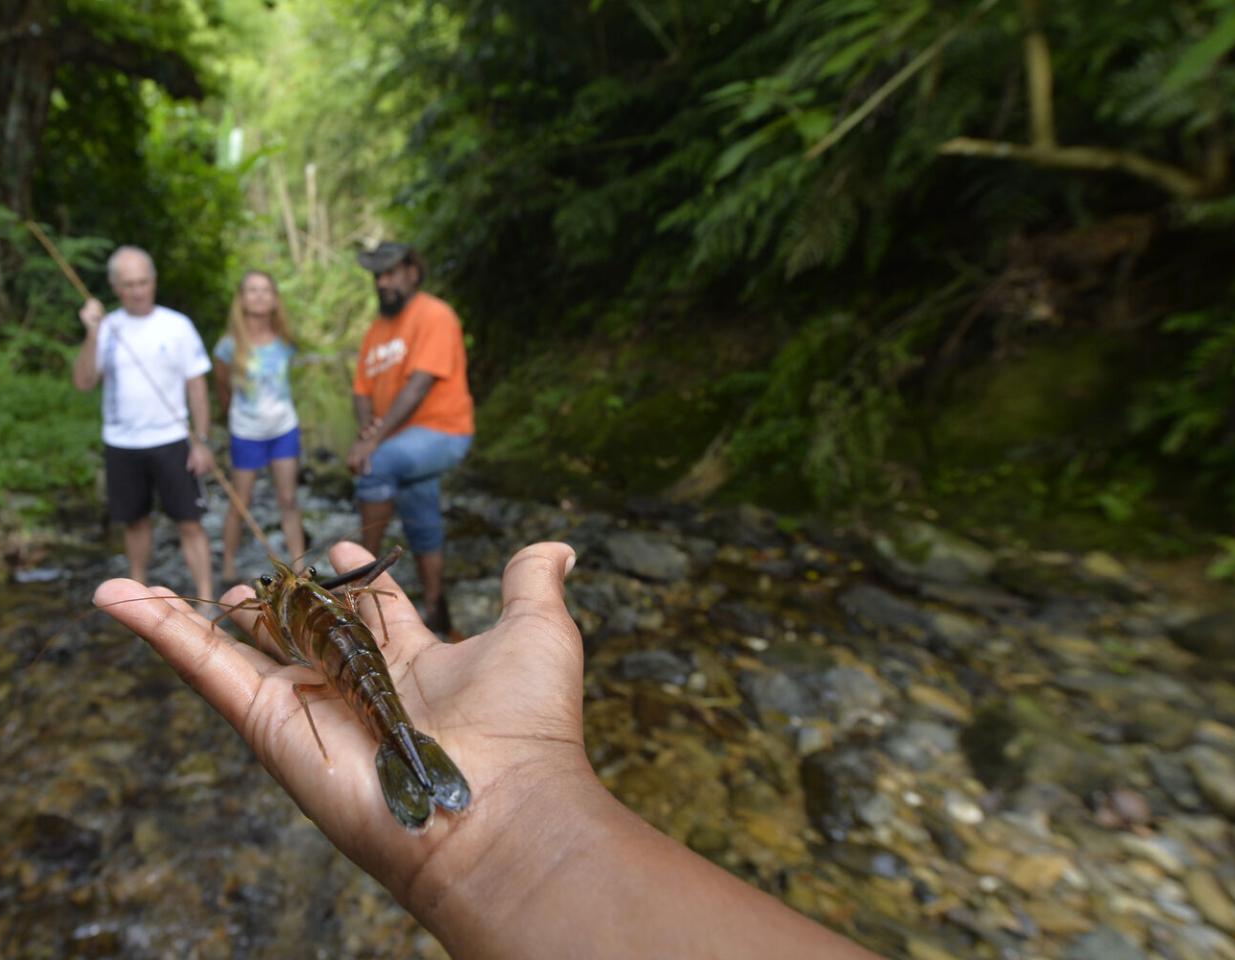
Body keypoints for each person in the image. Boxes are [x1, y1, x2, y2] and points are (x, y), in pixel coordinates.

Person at [92, 541, 881, 959]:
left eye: (278, 595)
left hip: (348, 686)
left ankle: (401, 755)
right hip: (388, 692)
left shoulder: (299, 623)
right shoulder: (334, 603)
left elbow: (300, 679)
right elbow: (343, 611)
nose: (273, 596)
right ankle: (407, 746)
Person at [72, 245, 216, 606]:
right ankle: (137, 593)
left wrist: (201, 441)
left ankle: (206, 597)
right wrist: (91, 333)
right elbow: (84, 382)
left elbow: (197, 386)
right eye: (128, 284)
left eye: (143, 282)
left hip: (172, 439)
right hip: (122, 442)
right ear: (115, 287)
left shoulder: (177, 325)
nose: (137, 290)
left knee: (190, 522)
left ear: (153, 281)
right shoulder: (107, 328)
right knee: (134, 521)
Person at [347, 241, 472, 635]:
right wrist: (369, 429)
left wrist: (373, 443)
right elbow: (362, 391)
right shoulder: (375, 331)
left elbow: (418, 386)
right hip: (401, 441)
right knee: (420, 513)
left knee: (375, 467)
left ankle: (357, 585)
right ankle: (437, 608)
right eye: (377, 276)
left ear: (412, 273)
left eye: (391, 273)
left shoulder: (435, 315)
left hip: (443, 432)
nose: (383, 282)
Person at [212, 270, 306, 581]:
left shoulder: (285, 341)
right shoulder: (228, 346)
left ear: (275, 299)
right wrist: (234, 419)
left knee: (288, 498)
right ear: (241, 299)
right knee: (241, 501)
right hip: (247, 432)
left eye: (266, 290)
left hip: (283, 429)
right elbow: (223, 389)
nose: (259, 296)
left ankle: (299, 564)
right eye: (252, 290)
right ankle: (227, 565)